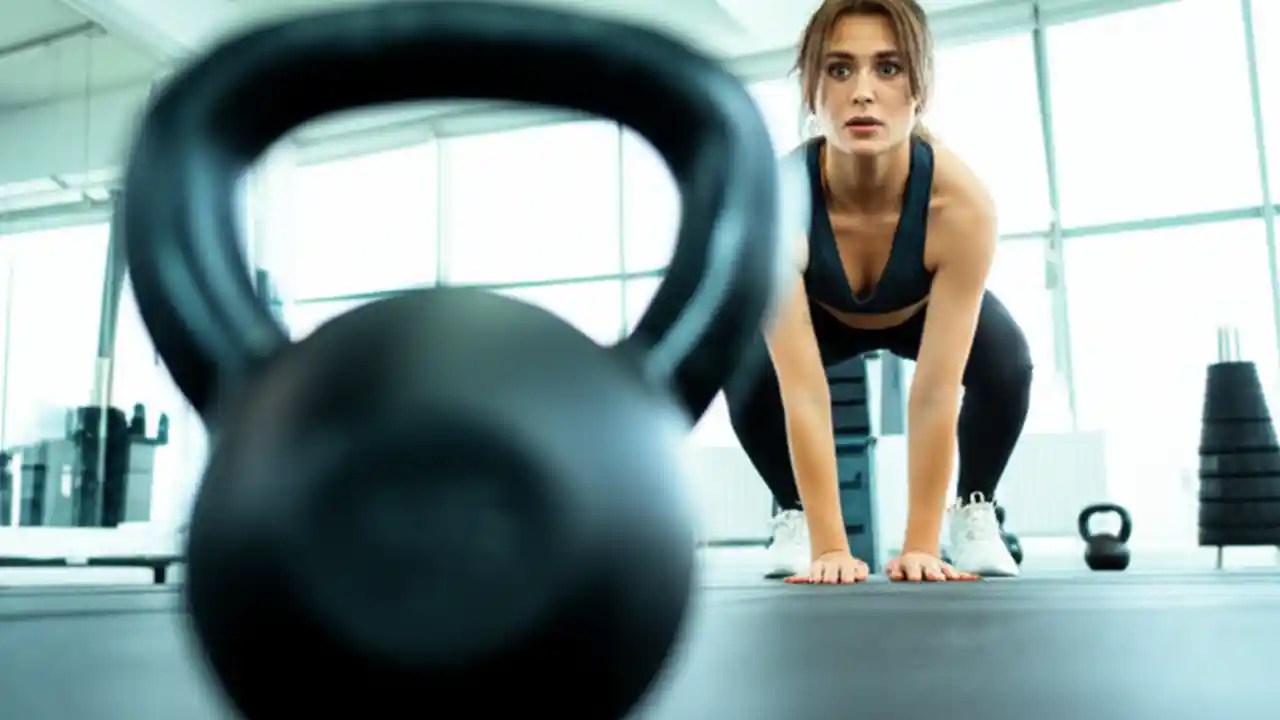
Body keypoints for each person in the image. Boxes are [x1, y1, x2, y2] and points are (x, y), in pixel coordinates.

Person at [730, 0, 1031, 584]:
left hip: (920, 312)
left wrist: (921, 547)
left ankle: (974, 509)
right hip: (822, 317)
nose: (863, 92)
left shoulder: (961, 204)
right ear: (812, 88)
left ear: (920, 86)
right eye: (840, 70)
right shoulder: (775, 206)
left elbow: (936, 391)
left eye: (888, 69)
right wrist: (830, 549)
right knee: (744, 365)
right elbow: (805, 392)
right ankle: (793, 512)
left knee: (1006, 361)